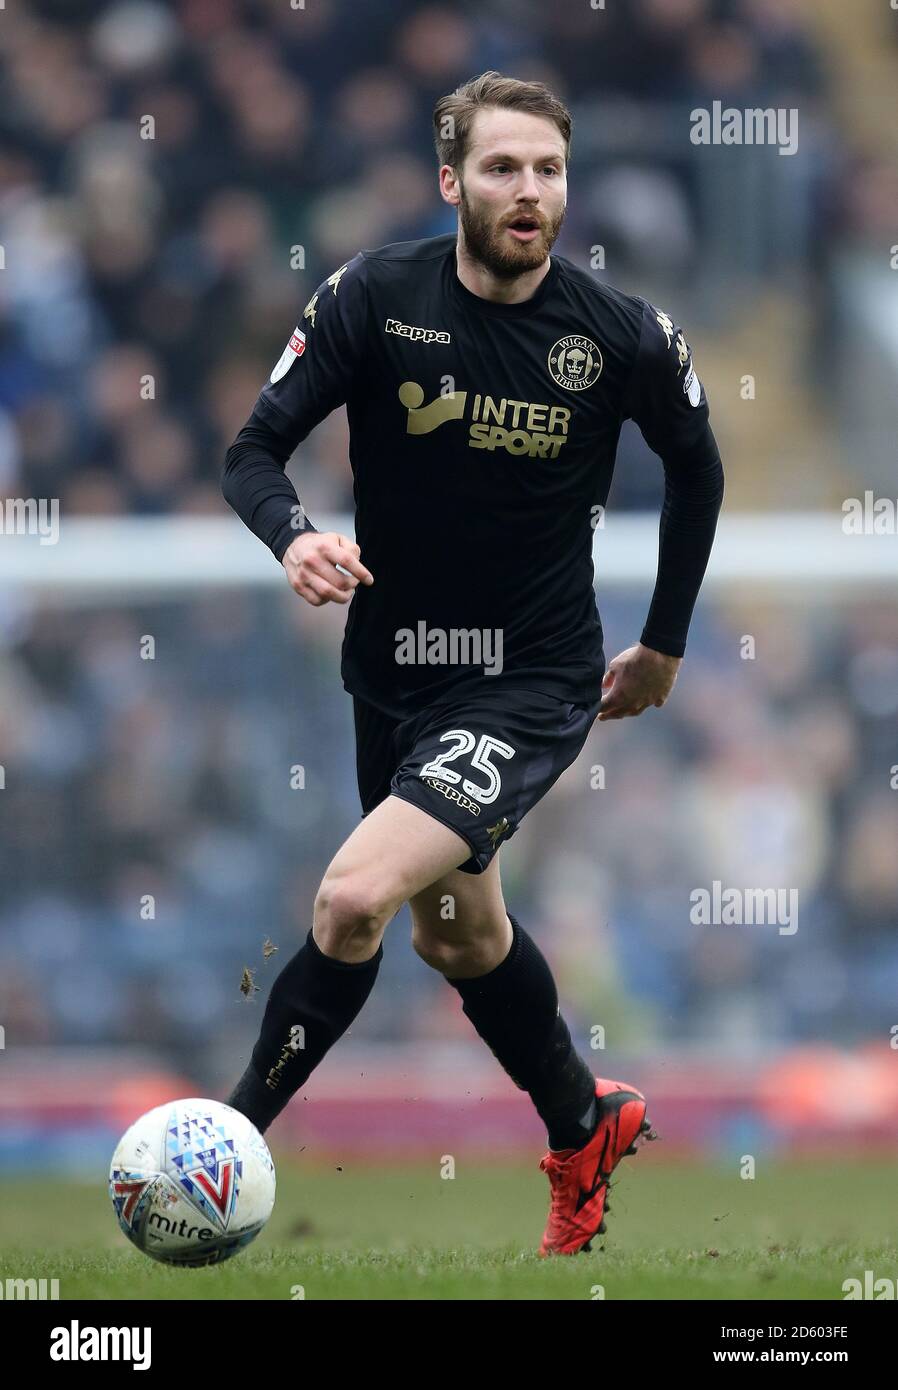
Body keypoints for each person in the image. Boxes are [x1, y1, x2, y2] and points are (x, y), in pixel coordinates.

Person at [220, 70, 724, 1255]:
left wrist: (663, 641)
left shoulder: (620, 335)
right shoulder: (372, 297)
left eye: (548, 169)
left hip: (533, 679)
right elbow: (253, 452)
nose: (528, 191)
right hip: (390, 672)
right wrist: (294, 536)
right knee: (458, 934)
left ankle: (222, 1148)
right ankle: (581, 1117)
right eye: (502, 167)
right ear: (451, 181)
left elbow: (698, 472)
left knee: (353, 898)